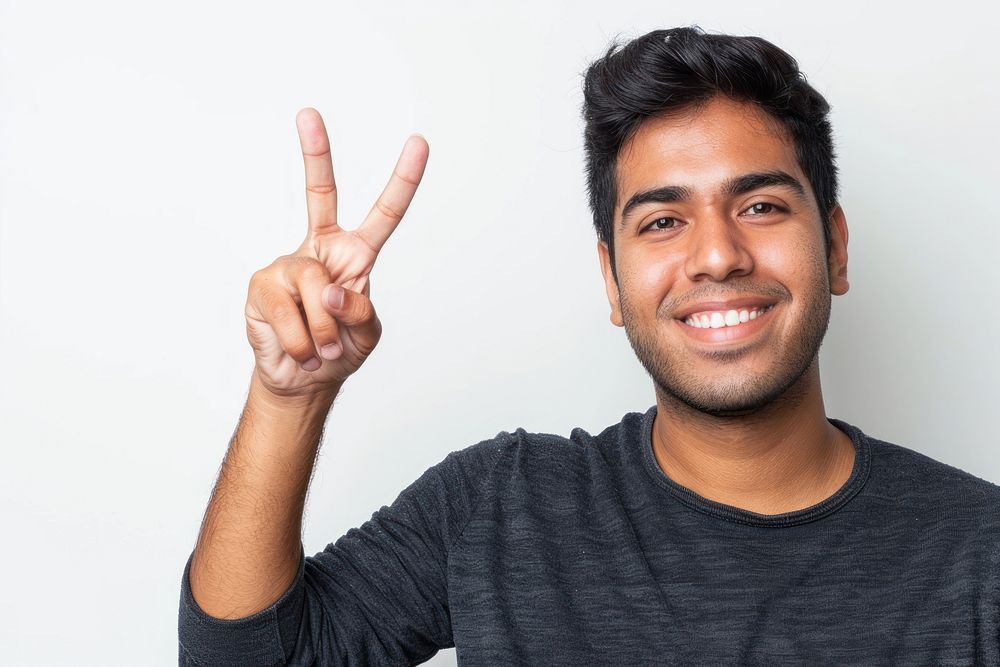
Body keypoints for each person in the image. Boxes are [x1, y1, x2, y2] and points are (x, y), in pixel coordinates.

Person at [177, 26, 1000, 665]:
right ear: (612, 280)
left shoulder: (979, 553)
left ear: (836, 246)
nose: (716, 254)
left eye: (760, 207)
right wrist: (290, 395)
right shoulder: (502, 505)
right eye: (663, 221)